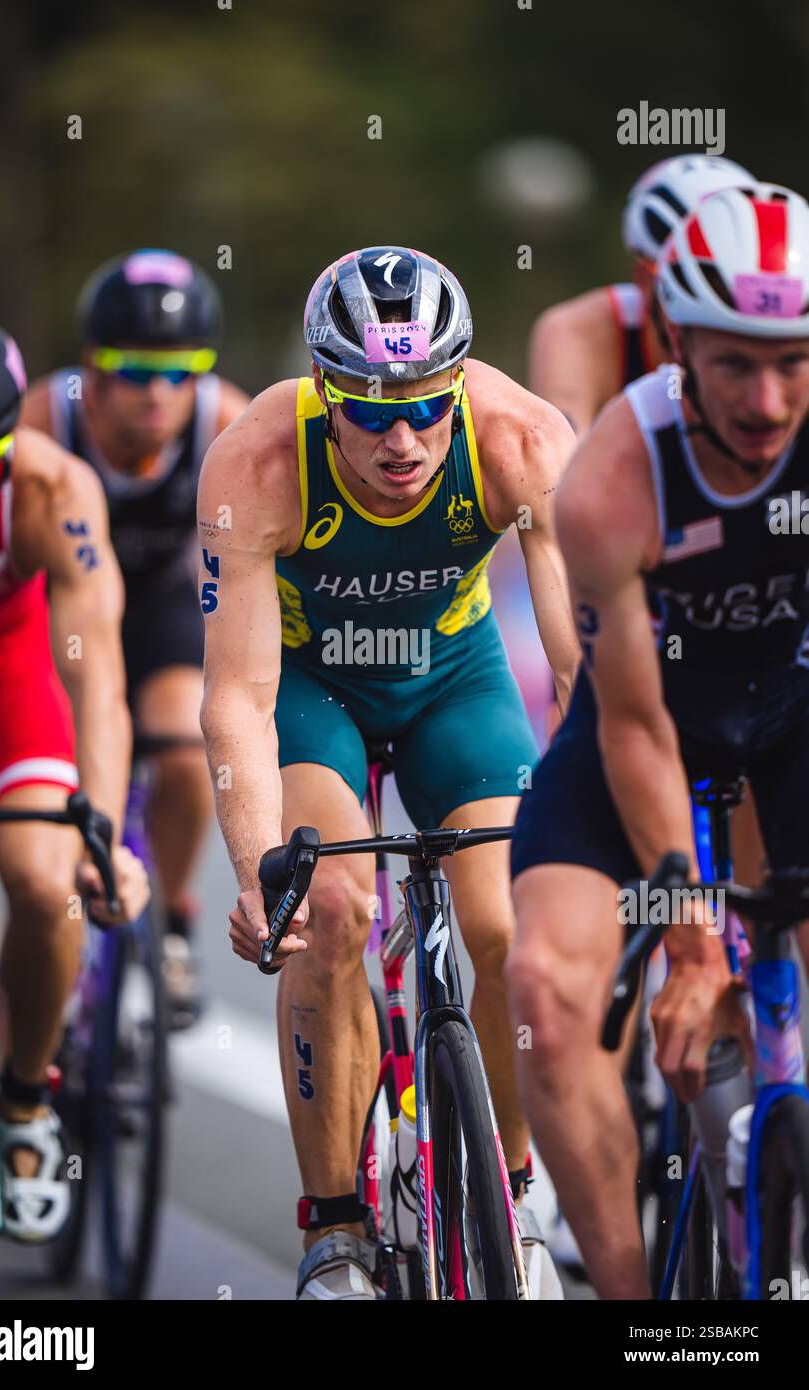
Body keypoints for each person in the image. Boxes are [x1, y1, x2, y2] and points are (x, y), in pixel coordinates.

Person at [199, 244, 579, 1299]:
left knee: (506, 922)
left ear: (457, 386)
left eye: (423, 405)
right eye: (368, 411)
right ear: (323, 395)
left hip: (455, 681)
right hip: (314, 690)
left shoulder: (519, 438)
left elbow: (578, 655)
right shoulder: (256, 461)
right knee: (330, 907)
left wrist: (595, 824)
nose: (402, 437)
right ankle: (333, 1230)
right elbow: (233, 693)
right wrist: (251, 866)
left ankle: (512, 1191)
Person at [507, 183, 809, 1298]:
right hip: (648, 733)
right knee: (544, 989)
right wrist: (688, 933)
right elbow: (634, 722)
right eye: (732, 363)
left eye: (793, 360)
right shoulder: (611, 478)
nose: (767, 400)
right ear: (673, 340)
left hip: (792, 718)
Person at [0, 314, 148, 1239]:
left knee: (47, 881)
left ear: (11, 445)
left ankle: (25, 1099)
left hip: (3, 671)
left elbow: (98, 672)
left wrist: (98, 827)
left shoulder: (53, 488)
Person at [22, 248, 250, 1028]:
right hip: (59, 617)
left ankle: (175, 921)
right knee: (63, 776)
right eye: (133, 368)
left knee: (189, 754)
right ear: (94, 367)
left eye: (181, 370)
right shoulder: (45, 418)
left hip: (160, 608)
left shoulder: (226, 419)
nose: (159, 392)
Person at [528, 155, 754, 435]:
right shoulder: (580, 330)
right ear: (643, 280)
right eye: (685, 286)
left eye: (726, 288)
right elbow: (562, 463)